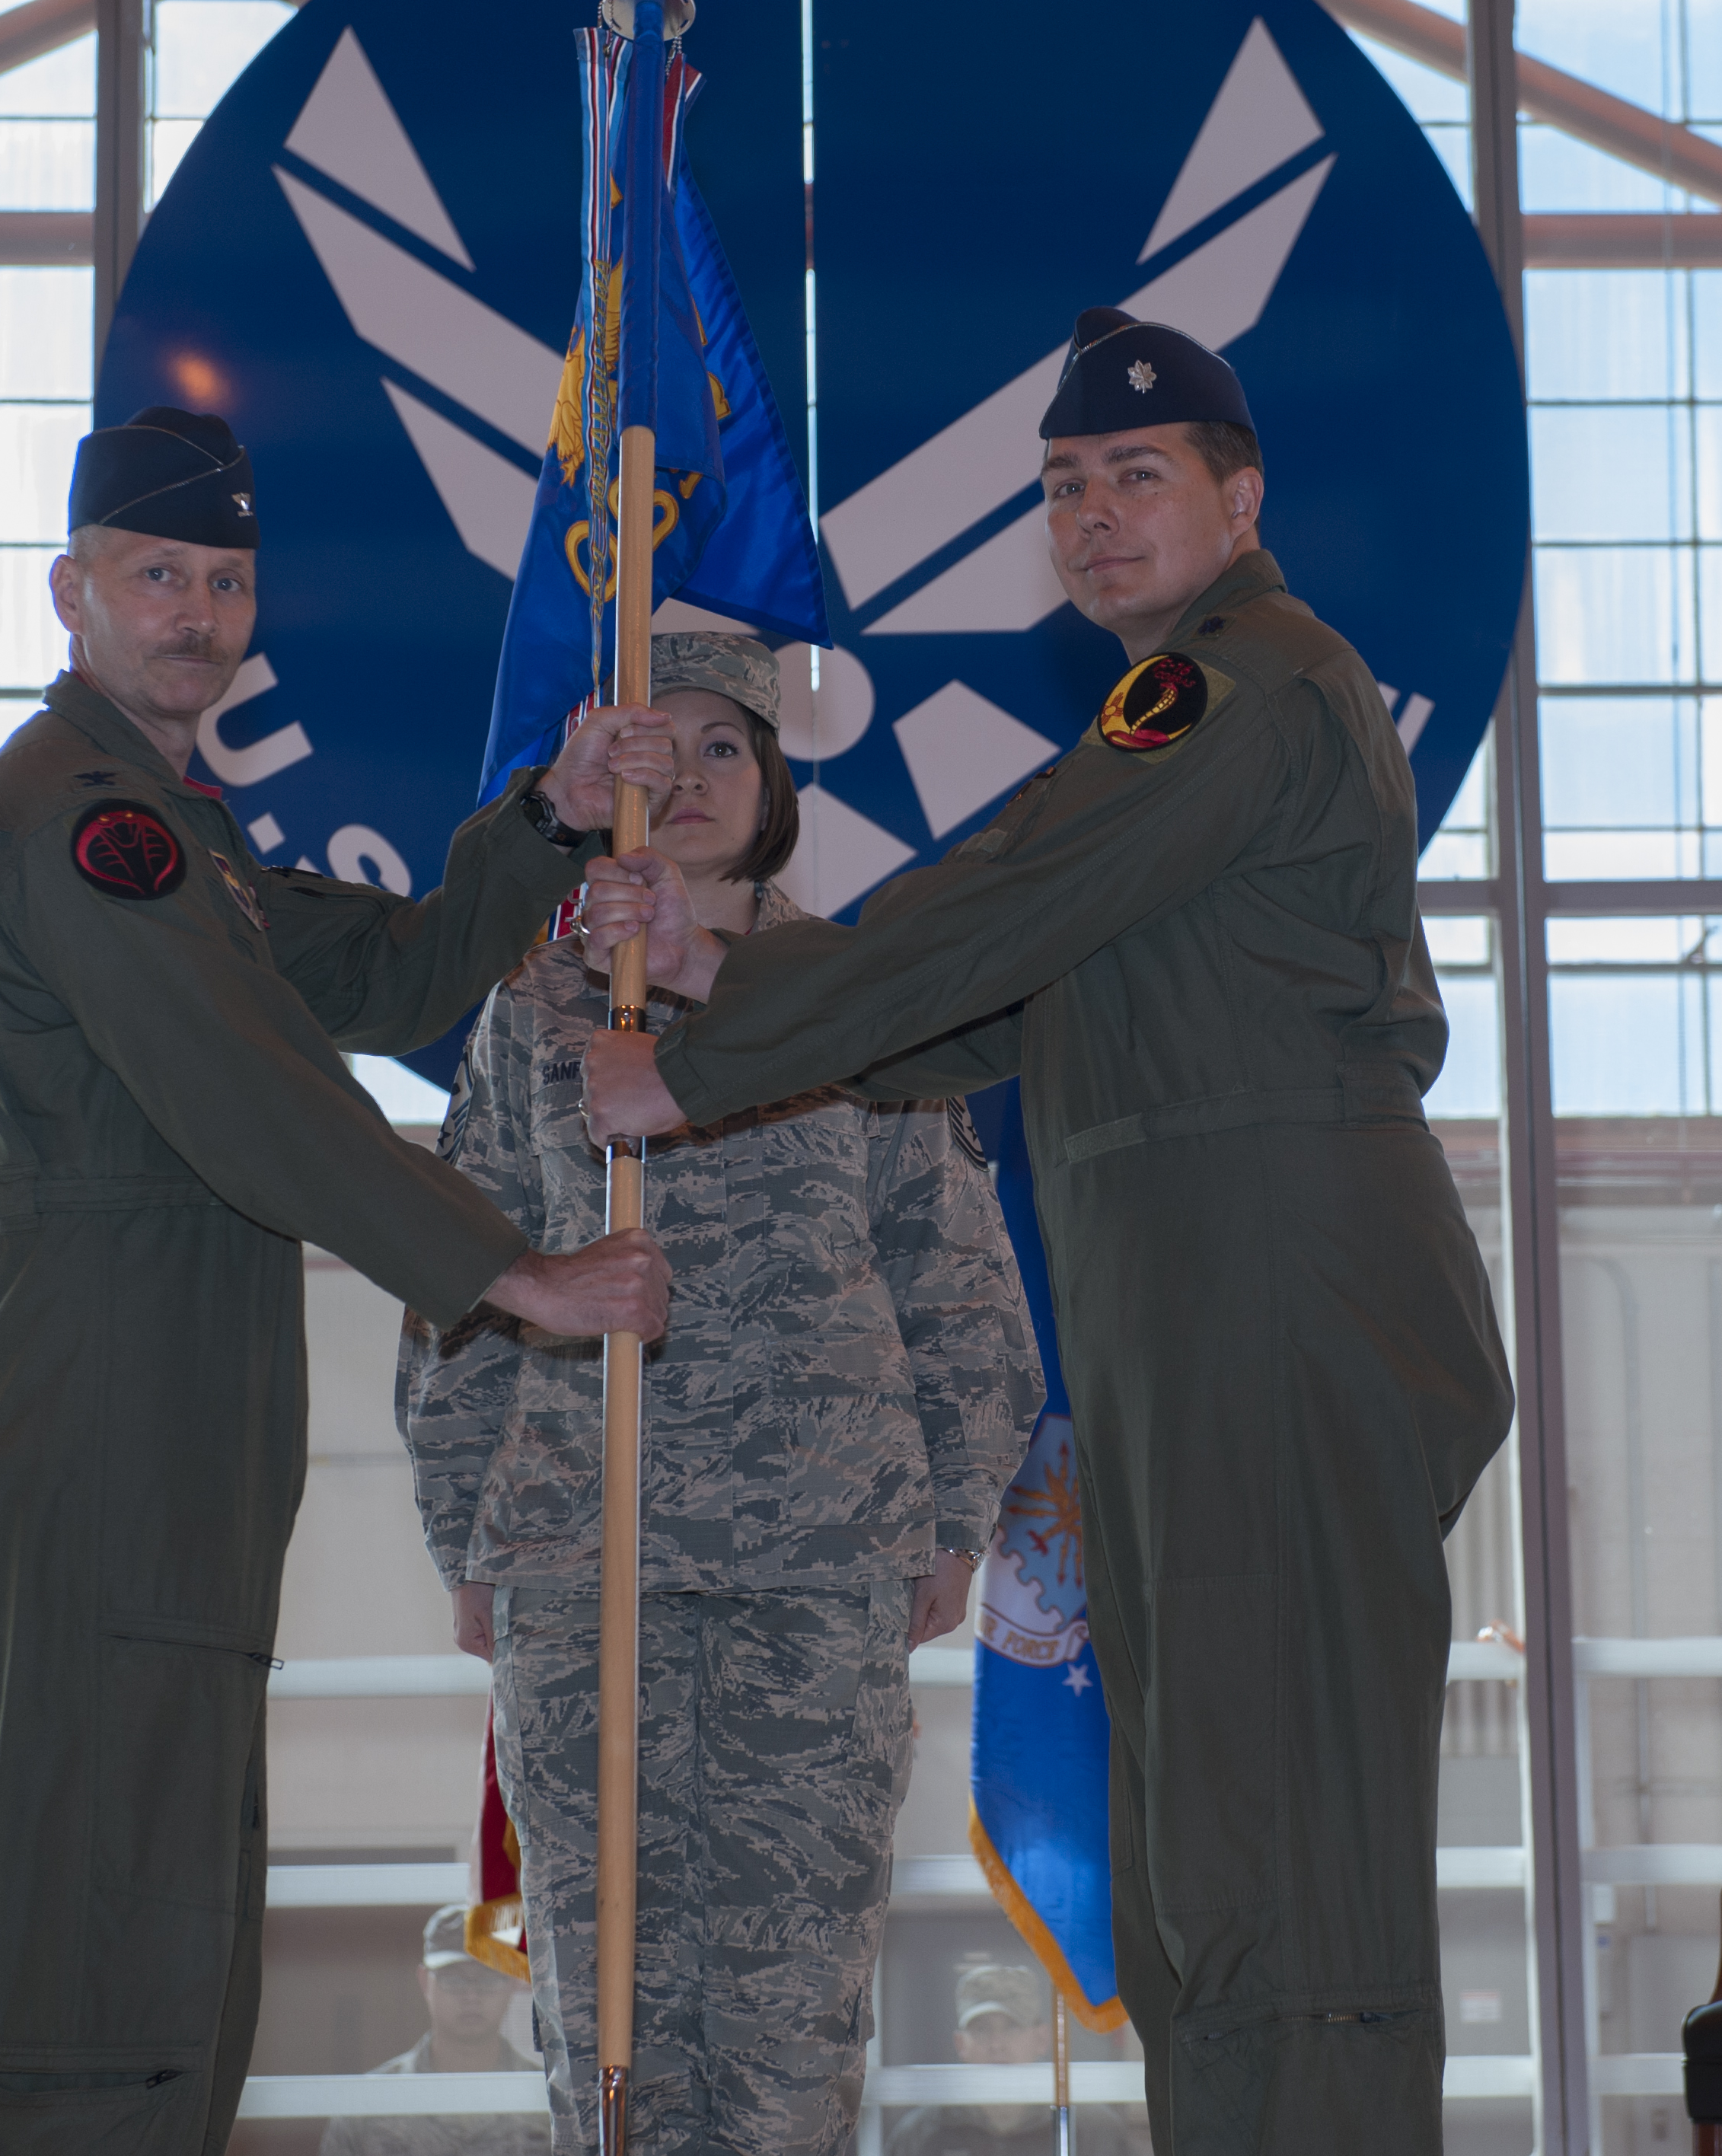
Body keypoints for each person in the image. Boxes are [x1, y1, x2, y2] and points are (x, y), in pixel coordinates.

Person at [578, 311, 1513, 2154]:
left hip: (1272, 1302)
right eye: (1065, 487)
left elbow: (1019, 895)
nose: (1093, 516)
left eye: (1137, 476)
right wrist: (718, 971)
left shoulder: (1235, 685)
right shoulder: (1185, 702)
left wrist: (716, 1050)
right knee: (1211, 1874)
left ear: (1241, 498)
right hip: (1203, 1314)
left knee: (1288, 1879)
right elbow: (1001, 1007)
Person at [0, 403, 675, 2156]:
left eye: (225, 579)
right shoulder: (77, 821)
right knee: (109, 1906)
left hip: (160, 1379)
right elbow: (251, 1087)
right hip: (108, 1365)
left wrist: (548, 820)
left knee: (166, 1896)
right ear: (71, 591)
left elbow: (392, 979)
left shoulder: (167, 829)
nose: (194, 611)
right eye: (155, 573)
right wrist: (513, 1274)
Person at [397, 630, 1044, 2155]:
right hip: (580, 1560)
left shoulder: (862, 999)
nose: (683, 778)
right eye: (651, 746)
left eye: (723, 749)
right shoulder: (529, 1012)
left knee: (785, 2019)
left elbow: (956, 1283)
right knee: (602, 2013)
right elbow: (458, 1271)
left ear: (774, 791)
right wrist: (463, 1538)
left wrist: (952, 1521)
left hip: (810, 1573)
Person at [317, 1903, 550, 2156]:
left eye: (488, 1978)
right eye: (453, 1978)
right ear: (425, 1981)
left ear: (512, 1983)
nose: (471, 1995)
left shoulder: (546, 2102)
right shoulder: (366, 2108)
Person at [882, 1963, 1138, 2156]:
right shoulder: (921, 2134)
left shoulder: (1092, 2131)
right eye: (981, 2029)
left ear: (1041, 2039)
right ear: (961, 2044)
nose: (996, 2044)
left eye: (1012, 2027)